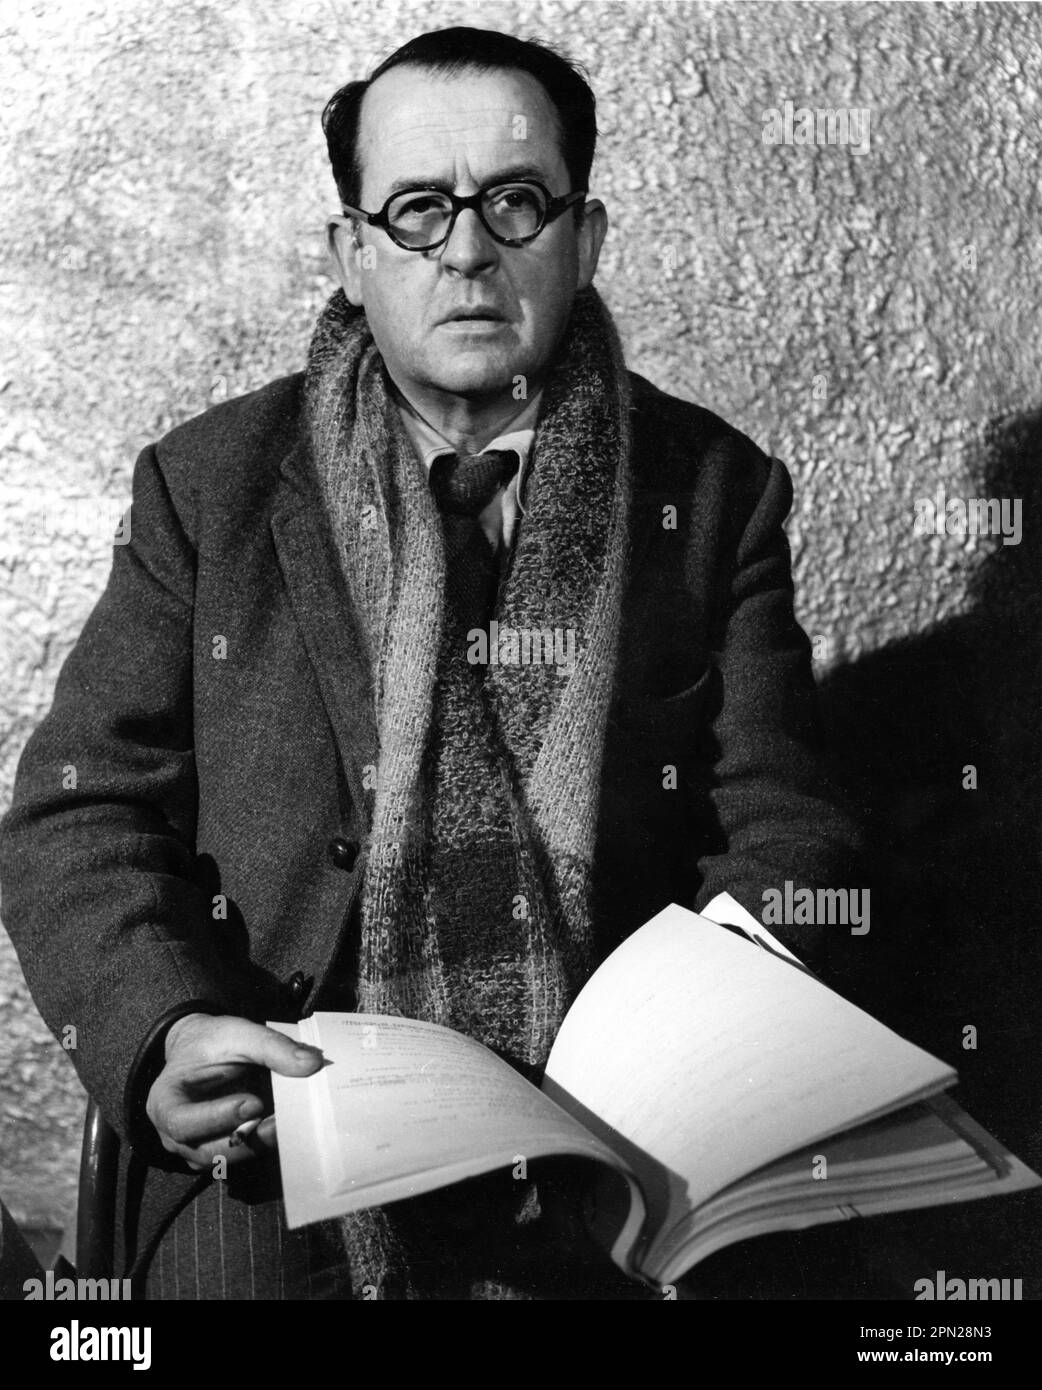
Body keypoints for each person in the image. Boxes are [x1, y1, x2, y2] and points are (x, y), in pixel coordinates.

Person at [0, 26, 859, 1299]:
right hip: (281, 1146)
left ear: (584, 236)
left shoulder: (714, 491)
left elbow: (788, 826)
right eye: (415, 210)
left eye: (515, 202)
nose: (467, 251)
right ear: (352, 254)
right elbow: (79, 810)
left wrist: (700, 1048)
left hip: (610, 1154)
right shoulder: (211, 487)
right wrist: (172, 1030)